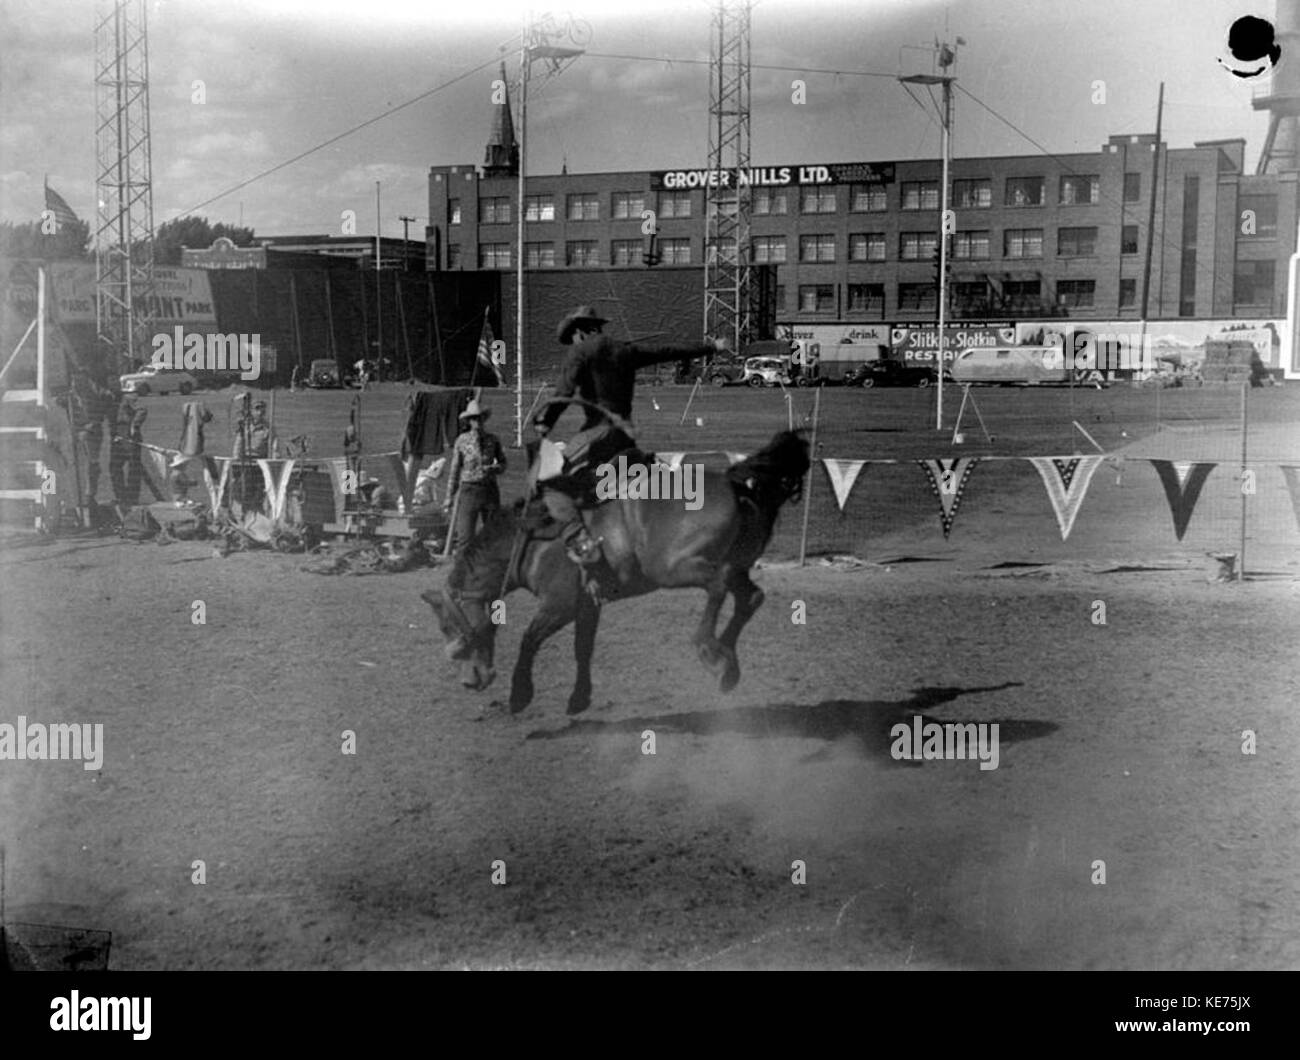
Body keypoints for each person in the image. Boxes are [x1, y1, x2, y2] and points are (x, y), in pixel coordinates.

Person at [533, 304, 721, 564]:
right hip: (625, 436)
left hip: (598, 433)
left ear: (581, 332)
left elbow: (563, 393)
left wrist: (545, 422)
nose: (572, 343)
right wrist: (712, 347)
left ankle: (580, 541)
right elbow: (669, 351)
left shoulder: (581, 350)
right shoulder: (625, 350)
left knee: (550, 479)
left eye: (573, 338)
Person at [444, 398, 506, 554]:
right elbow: (454, 469)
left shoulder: (493, 440)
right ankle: (463, 571)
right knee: (465, 536)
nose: (477, 421)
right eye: (473, 418)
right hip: (469, 491)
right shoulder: (462, 441)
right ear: (469, 421)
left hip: (489, 490)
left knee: (494, 534)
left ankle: (493, 571)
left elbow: (503, 463)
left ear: (484, 419)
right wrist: (449, 496)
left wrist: (494, 468)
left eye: (479, 418)